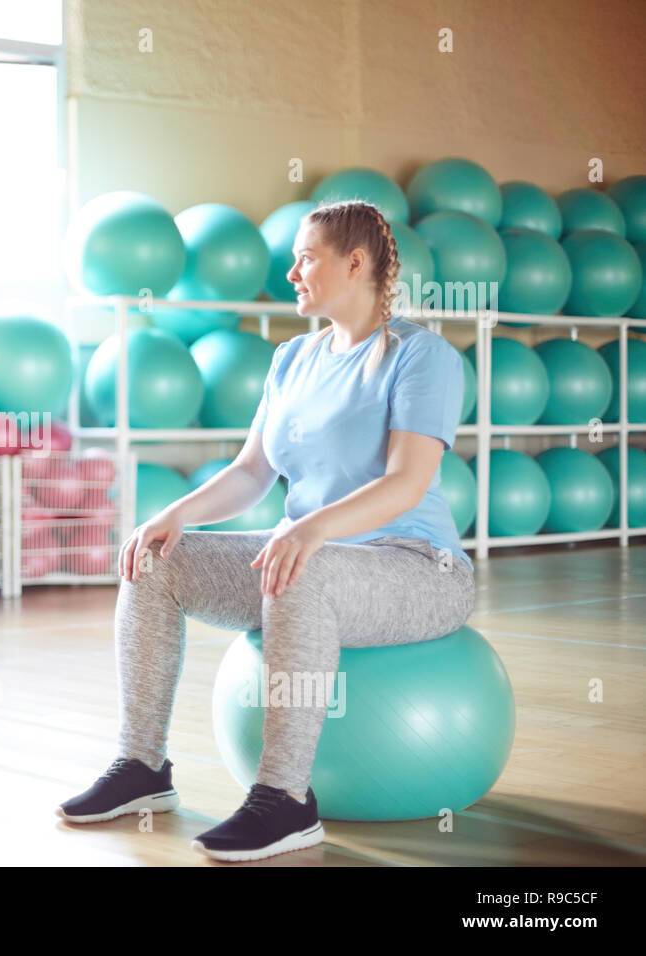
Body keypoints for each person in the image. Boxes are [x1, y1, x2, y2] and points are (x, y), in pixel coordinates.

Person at [58, 200, 475, 862]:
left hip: (417, 566)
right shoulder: (292, 359)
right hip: (306, 563)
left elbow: (407, 481)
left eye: (305, 258)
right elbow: (252, 473)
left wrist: (310, 530)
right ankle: (142, 768)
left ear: (355, 263)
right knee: (157, 562)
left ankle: (284, 800)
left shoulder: (421, 357)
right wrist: (176, 516)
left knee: (302, 571)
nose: (291, 274)